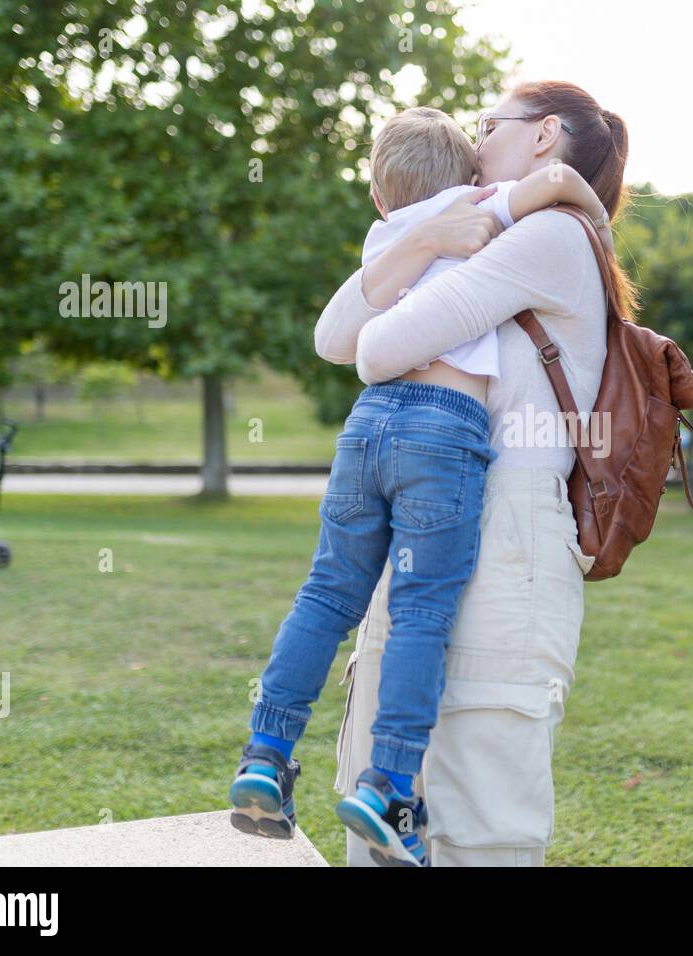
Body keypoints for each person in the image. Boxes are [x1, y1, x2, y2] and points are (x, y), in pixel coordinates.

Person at [228, 105, 614, 866]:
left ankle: (268, 749)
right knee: (412, 636)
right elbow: (338, 338)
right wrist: (432, 236)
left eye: (491, 118)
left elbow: (371, 347)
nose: (479, 134)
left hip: (426, 468)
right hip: (440, 453)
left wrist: (416, 243)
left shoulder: (548, 231)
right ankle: (380, 784)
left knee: (474, 817)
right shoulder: (472, 217)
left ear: (542, 134)